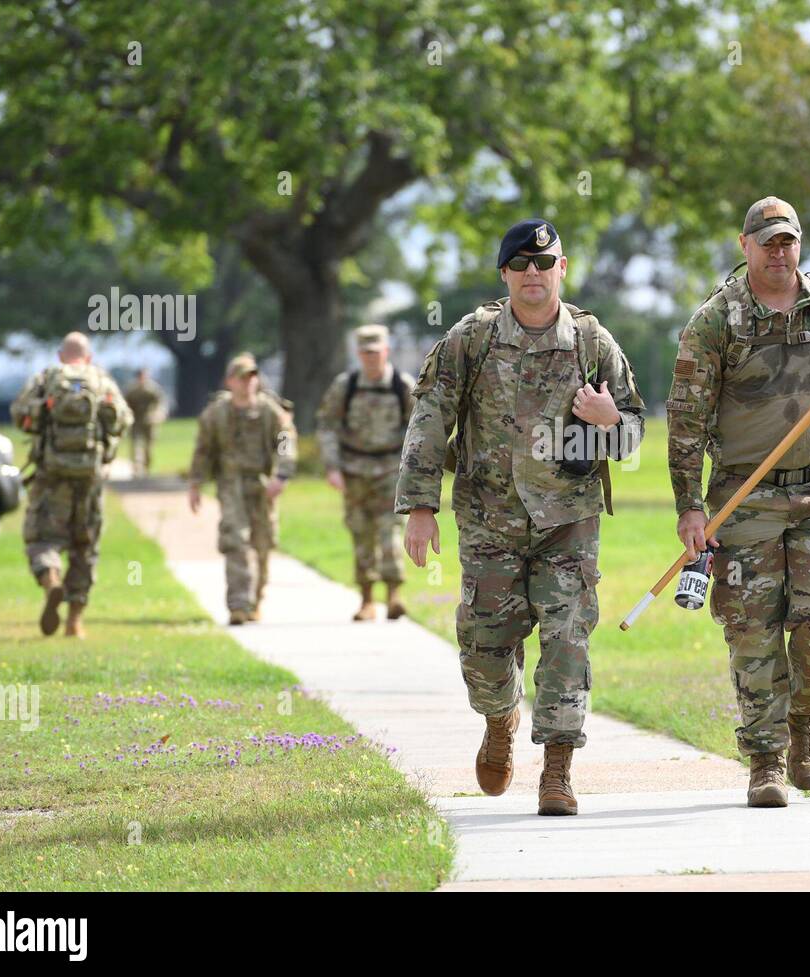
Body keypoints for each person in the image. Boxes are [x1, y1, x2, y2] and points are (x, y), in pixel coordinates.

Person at [396, 218, 646, 816]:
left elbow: (634, 433)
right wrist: (419, 507)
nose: (533, 274)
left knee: (567, 640)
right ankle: (500, 718)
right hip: (489, 520)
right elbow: (431, 419)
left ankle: (557, 769)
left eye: (545, 263)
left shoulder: (592, 342)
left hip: (569, 522)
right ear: (505, 274)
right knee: (484, 648)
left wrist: (611, 420)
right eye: (521, 265)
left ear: (563, 268)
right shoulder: (473, 338)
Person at [666, 196, 810, 806]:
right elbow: (686, 420)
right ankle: (765, 761)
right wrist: (690, 506)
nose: (778, 251)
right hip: (744, 497)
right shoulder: (715, 321)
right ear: (745, 246)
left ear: (799, 245)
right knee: (753, 632)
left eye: (787, 241)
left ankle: (802, 723)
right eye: (766, 241)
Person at [10, 331, 132, 638]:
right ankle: (74, 621)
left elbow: (20, 414)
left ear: (61, 355)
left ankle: (52, 581)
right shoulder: (101, 379)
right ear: (88, 357)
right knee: (85, 547)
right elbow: (123, 420)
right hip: (90, 478)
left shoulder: (47, 378)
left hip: (51, 476)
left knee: (42, 538)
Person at [188, 353, 297, 625]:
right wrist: (195, 484)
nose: (248, 383)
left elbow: (285, 442)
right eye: (242, 378)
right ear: (230, 381)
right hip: (231, 483)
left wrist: (281, 476)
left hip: (262, 483)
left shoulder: (270, 410)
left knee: (262, 543)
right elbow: (203, 450)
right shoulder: (216, 413)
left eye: (252, 377)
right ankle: (238, 604)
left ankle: (256, 600)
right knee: (235, 541)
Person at [316, 325, 416, 621]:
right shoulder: (344, 386)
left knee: (390, 533)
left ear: (386, 351)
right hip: (355, 471)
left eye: (377, 352)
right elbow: (327, 426)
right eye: (366, 352)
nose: (372, 358)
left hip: (389, 470)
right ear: (359, 353)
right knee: (361, 533)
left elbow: (419, 428)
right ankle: (366, 599)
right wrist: (333, 467)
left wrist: (412, 468)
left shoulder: (402, 385)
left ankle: (394, 595)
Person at [123, 369, 166, 476]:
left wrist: (158, 414)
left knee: (148, 447)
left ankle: (147, 468)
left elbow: (161, 402)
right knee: (136, 446)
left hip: (150, 421)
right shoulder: (132, 390)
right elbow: (125, 403)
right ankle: (137, 469)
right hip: (136, 421)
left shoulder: (153, 389)